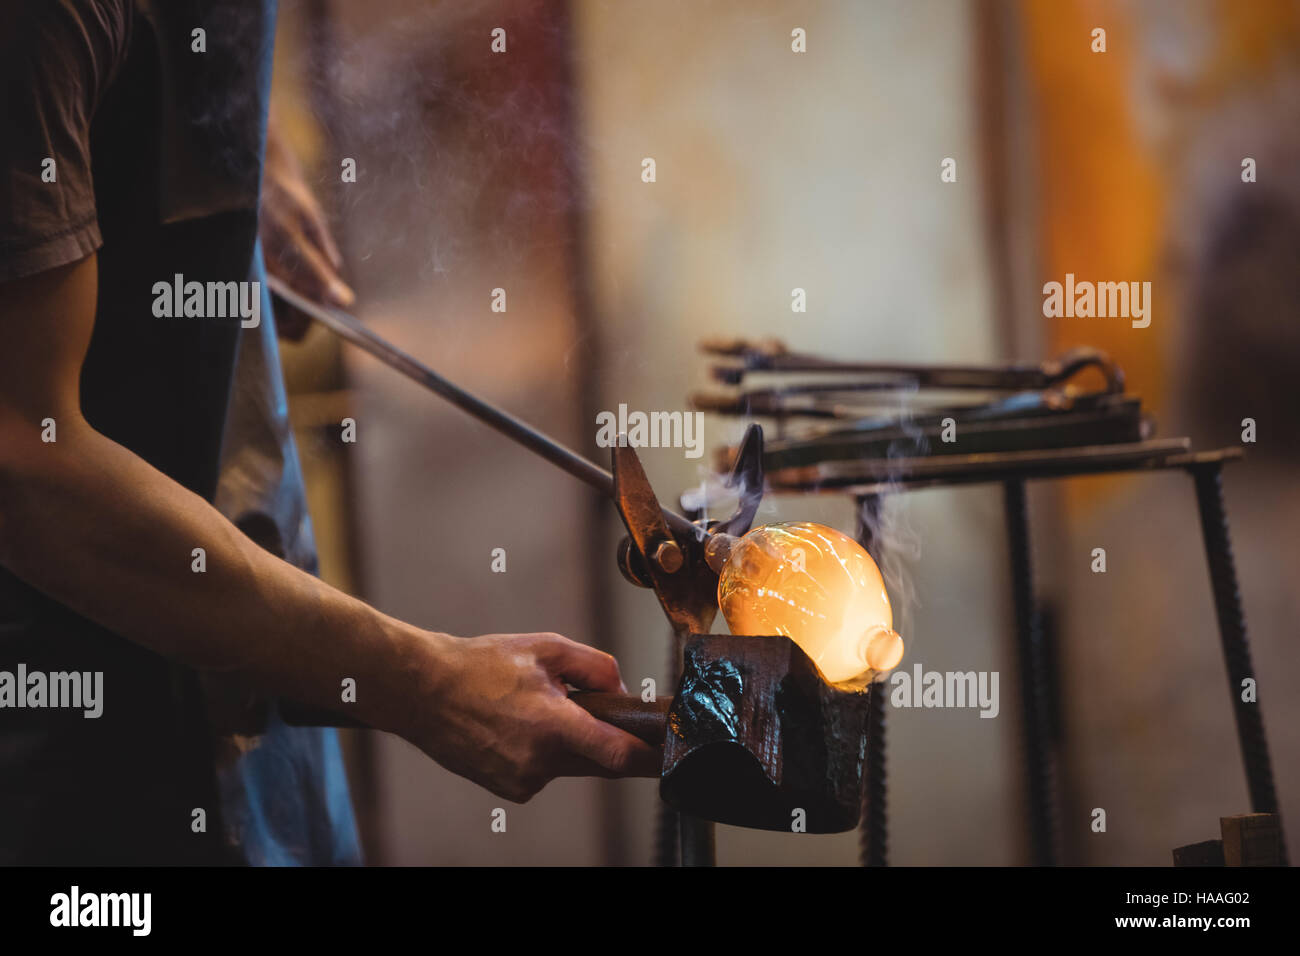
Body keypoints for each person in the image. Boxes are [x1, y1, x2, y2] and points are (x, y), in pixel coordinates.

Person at [0, 0, 657, 865]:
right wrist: (428, 688)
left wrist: (240, 151)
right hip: (78, 746)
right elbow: (26, 466)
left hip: (257, 659)